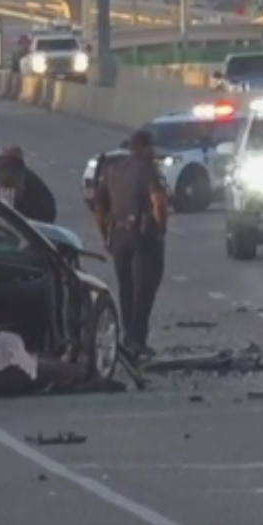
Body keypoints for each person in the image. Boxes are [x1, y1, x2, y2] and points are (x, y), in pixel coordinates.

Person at [93, 128, 169, 358]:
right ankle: (136, 340)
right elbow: (159, 202)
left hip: (118, 235)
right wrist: (161, 228)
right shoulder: (148, 169)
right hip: (143, 236)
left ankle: (127, 337)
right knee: (144, 290)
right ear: (145, 148)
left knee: (126, 288)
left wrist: (105, 234)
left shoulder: (113, 169)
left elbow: (99, 207)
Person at [0, 145, 57, 224]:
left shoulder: (9, 170)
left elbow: (9, 195)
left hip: (35, 217)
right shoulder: (22, 172)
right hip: (45, 214)